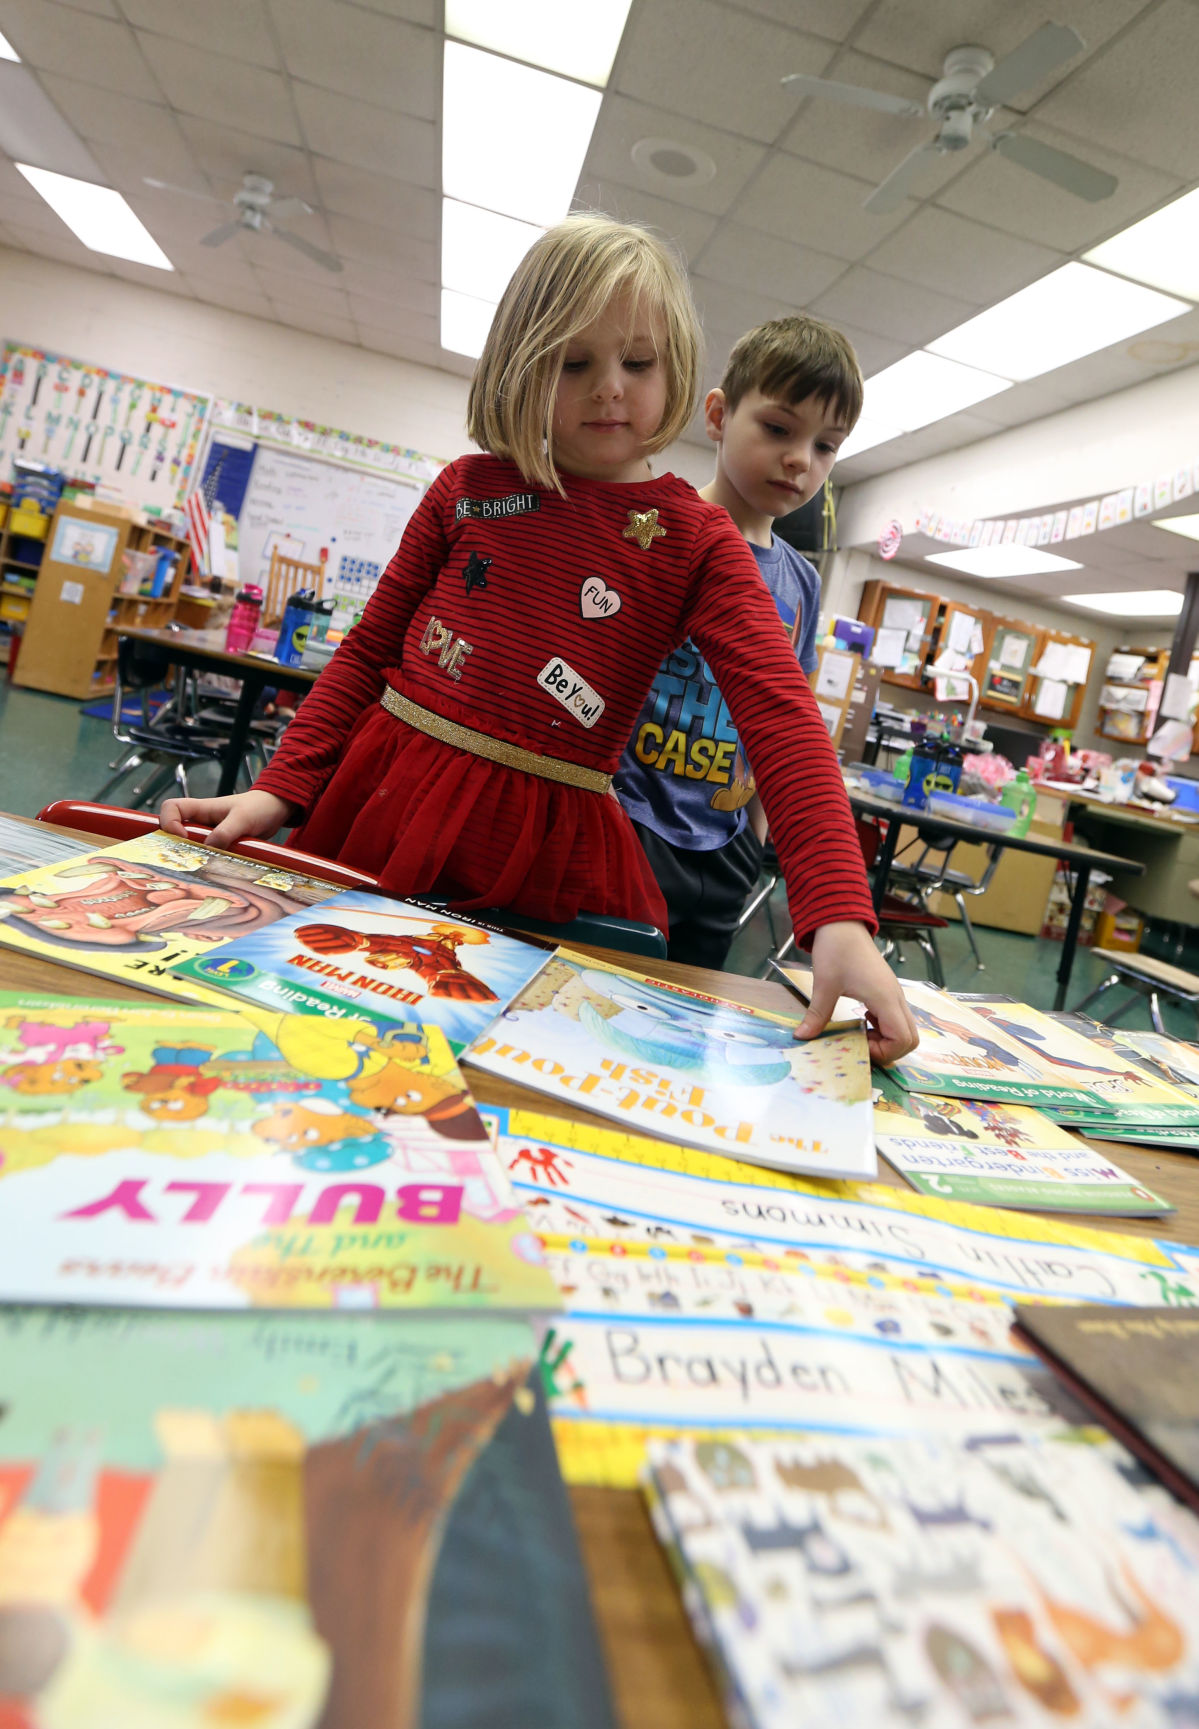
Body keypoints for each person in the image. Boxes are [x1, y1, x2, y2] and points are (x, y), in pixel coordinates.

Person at [160, 214, 916, 1063]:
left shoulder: (697, 540)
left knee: (488, 1071)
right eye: (573, 361)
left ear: (675, 374)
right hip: (384, 800)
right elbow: (370, 652)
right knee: (304, 1037)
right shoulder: (465, 490)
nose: (608, 389)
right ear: (523, 362)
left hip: (545, 852)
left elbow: (781, 716)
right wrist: (278, 790)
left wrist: (836, 915)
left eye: (637, 364)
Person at [616, 314, 854, 969]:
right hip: (629, 825)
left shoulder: (801, 584)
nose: (801, 460)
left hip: (725, 847)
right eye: (778, 428)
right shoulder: (654, 529)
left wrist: (754, 838)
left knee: (684, 1022)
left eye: (826, 445)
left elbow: (784, 719)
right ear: (718, 415)